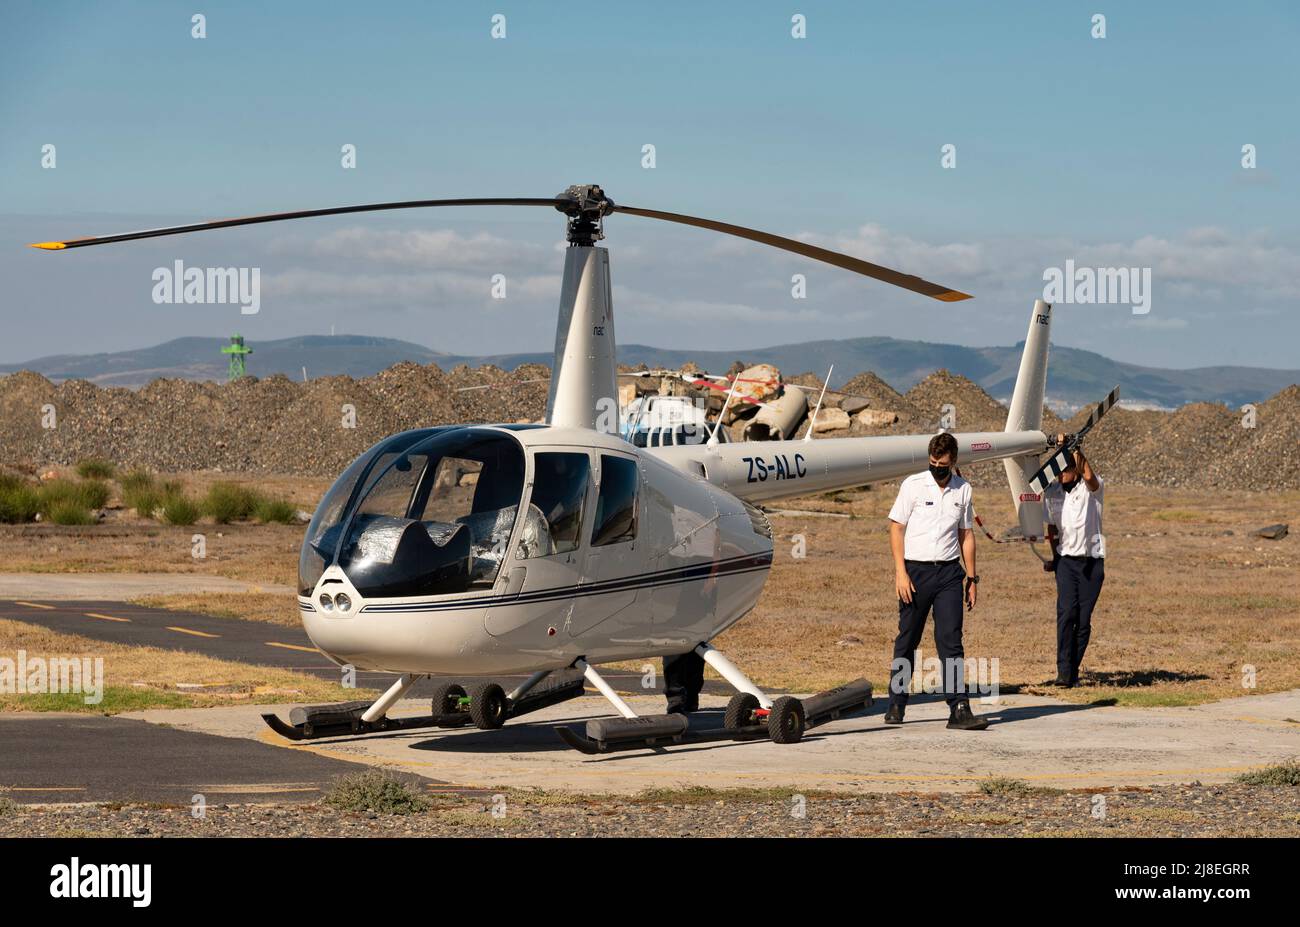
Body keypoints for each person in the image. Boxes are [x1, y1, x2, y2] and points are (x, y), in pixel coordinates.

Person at [883, 432, 987, 730]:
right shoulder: (913, 485)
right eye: (933, 462)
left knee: (950, 641)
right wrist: (900, 572)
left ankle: (958, 708)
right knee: (908, 639)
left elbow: (966, 535)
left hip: (949, 575)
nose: (937, 467)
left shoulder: (963, 489)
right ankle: (896, 702)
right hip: (915, 573)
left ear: (953, 462)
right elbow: (895, 528)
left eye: (942, 463)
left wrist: (972, 577)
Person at [1043, 438, 1104, 687]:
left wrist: (1074, 447)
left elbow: (1089, 476)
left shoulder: (1093, 490)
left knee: (1083, 619)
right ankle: (1063, 672)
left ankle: (1073, 669)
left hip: (1092, 563)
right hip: (1066, 563)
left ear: (1075, 469)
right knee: (1066, 614)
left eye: (1065, 470)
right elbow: (1051, 528)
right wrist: (1054, 557)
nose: (1060, 476)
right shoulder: (1053, 494)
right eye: (1057, 471)